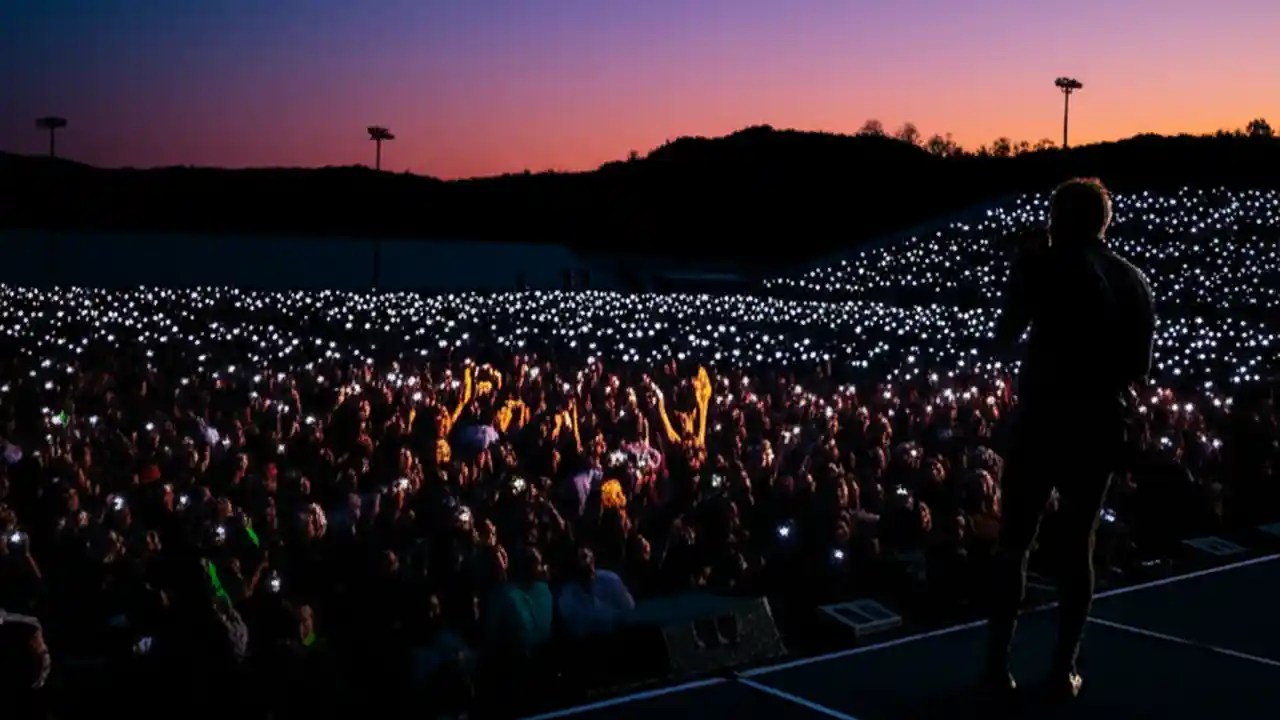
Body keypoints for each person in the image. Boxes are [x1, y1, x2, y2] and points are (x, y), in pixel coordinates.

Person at [983, 178, 1156, 700]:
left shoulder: (1045, 266)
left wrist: (1024, 272)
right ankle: (1063, 669)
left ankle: (996, 668)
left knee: (1015, 545)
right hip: (1099, 423)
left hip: (1043, 420)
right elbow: (1139, 369)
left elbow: (1005, 335)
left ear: (1059, 218)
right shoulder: (1134, 280)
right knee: (1077, 546)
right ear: (1104, 222)